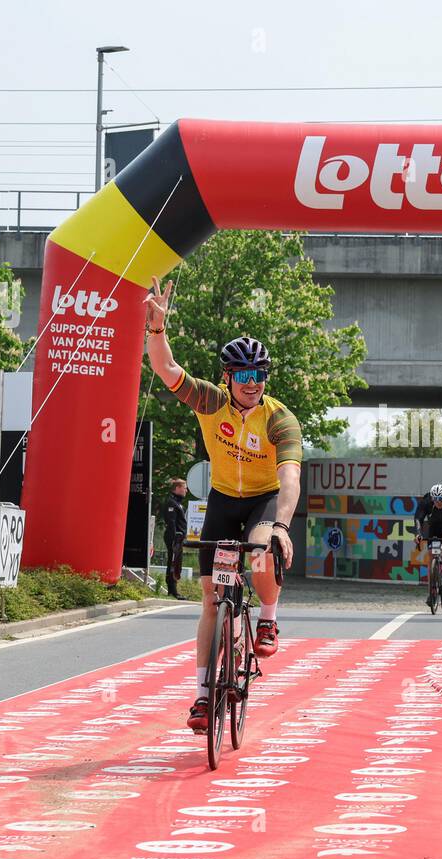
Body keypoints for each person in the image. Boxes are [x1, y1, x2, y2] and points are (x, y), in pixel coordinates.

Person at [143, 277, 302, 734]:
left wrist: (282, 527)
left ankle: (268, 618)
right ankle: (200, 695)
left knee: (258, 553)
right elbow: (167, 368)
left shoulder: (279, 418)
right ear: (228, 378)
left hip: (263, 500)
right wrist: (157, 329)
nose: (253, 384)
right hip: (221, 501)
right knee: (211, 598)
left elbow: (289, 477)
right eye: (244, 376)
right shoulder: (212, 402)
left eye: (260, 376)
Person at [161, 478, 189, 599]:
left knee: (177, 563)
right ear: (177, 488)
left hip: (179, 538)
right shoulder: (171, 503)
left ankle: (173, 589)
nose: (186, 490)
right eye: (184, 488)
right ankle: (172, 590)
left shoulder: (177, 503)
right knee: (173, 563)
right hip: (174, 538)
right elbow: (171, 523)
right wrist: (175, 539)